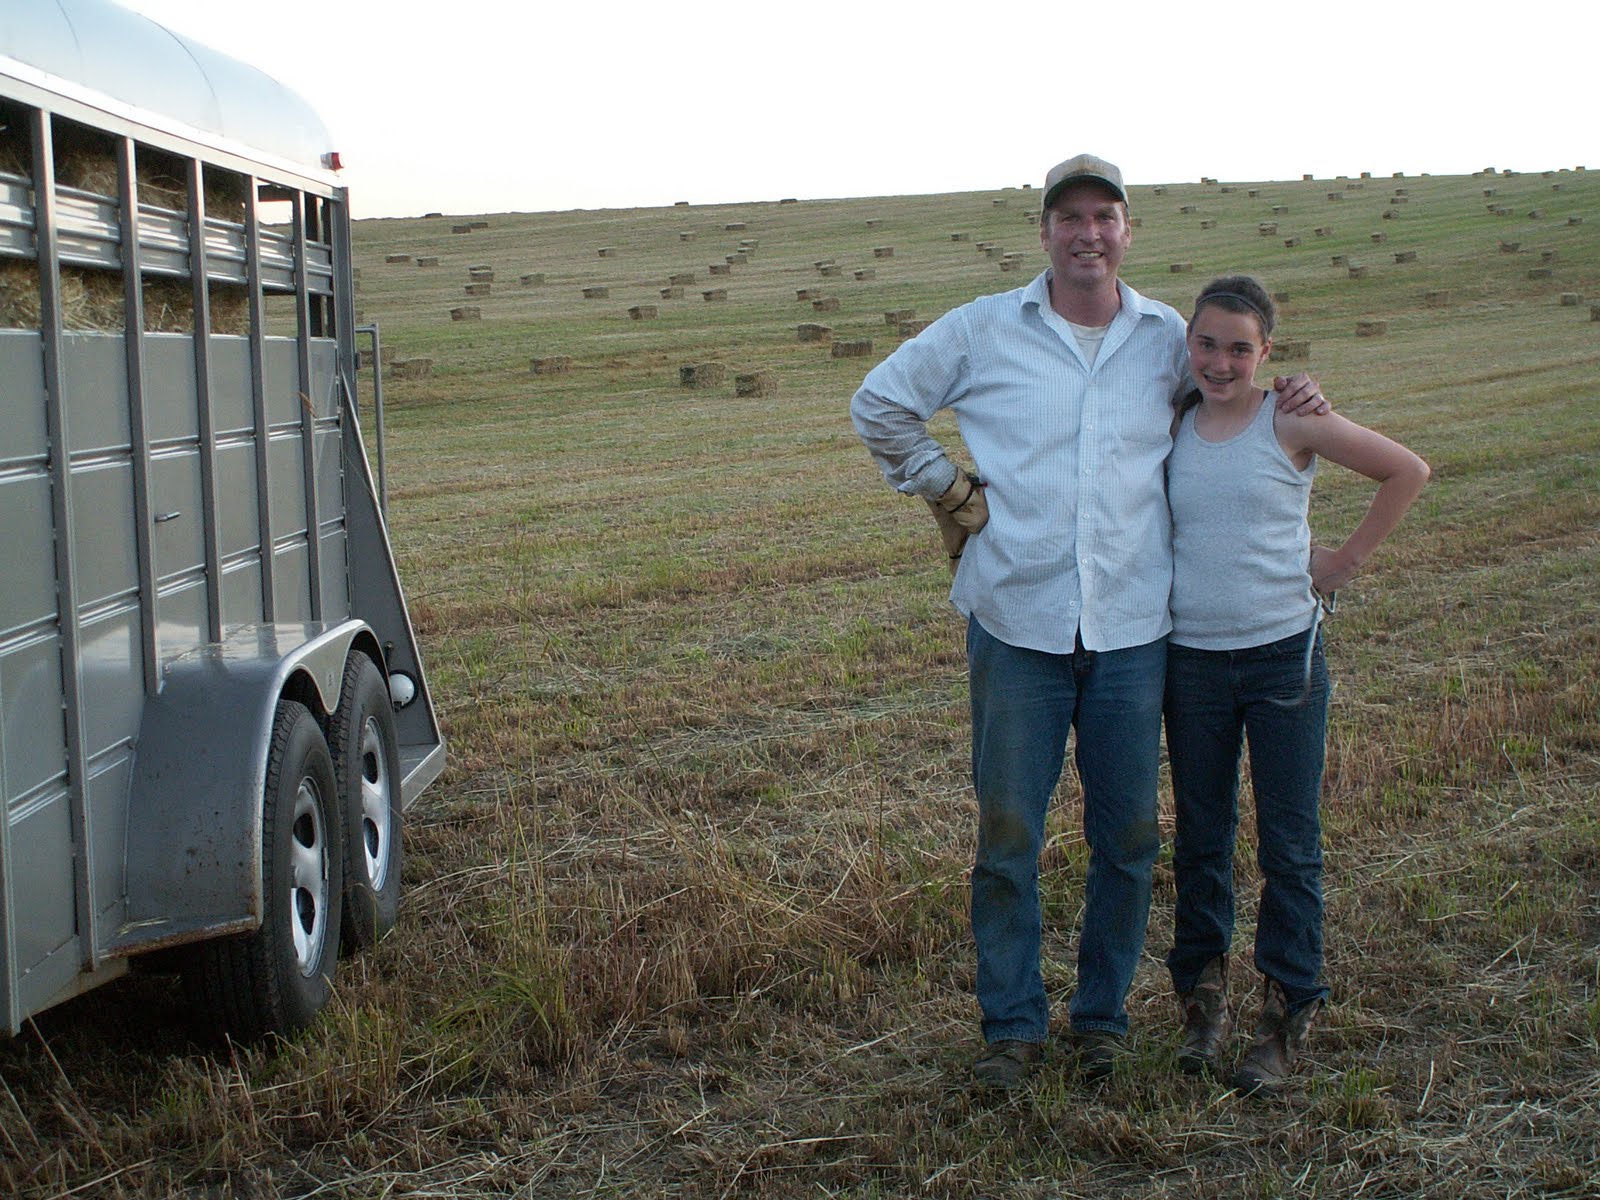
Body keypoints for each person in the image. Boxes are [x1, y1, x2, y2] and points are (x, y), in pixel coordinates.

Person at [850, 154, 1329, 1091]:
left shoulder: (1164, 338)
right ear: (1045, 233)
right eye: (1069, 217)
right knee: (1008, 840)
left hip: (1131, 634)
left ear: (1126, 232)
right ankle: (1012, 1033)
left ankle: (1101, 1022)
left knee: (1128, 843)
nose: (1088, 233)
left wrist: (1297, 401)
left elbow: (1229, 396)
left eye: (1105, 216)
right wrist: (943, 484)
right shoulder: (985, 329)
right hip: (1016, 622)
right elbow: (880, 403)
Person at [1163, 275, 1429, 1095]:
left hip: (1283, 658)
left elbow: (1405, 471)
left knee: (1289, 844)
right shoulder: (1169, 419)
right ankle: (1202, 1001)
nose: (1220, 360)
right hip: (1191, 661)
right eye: (1206, 342)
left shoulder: (1291, 417)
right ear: (1190, 345)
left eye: (1240, 347)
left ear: (1267, 352)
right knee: (1202, 839)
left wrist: (1341, 565)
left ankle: (1286, 1009)